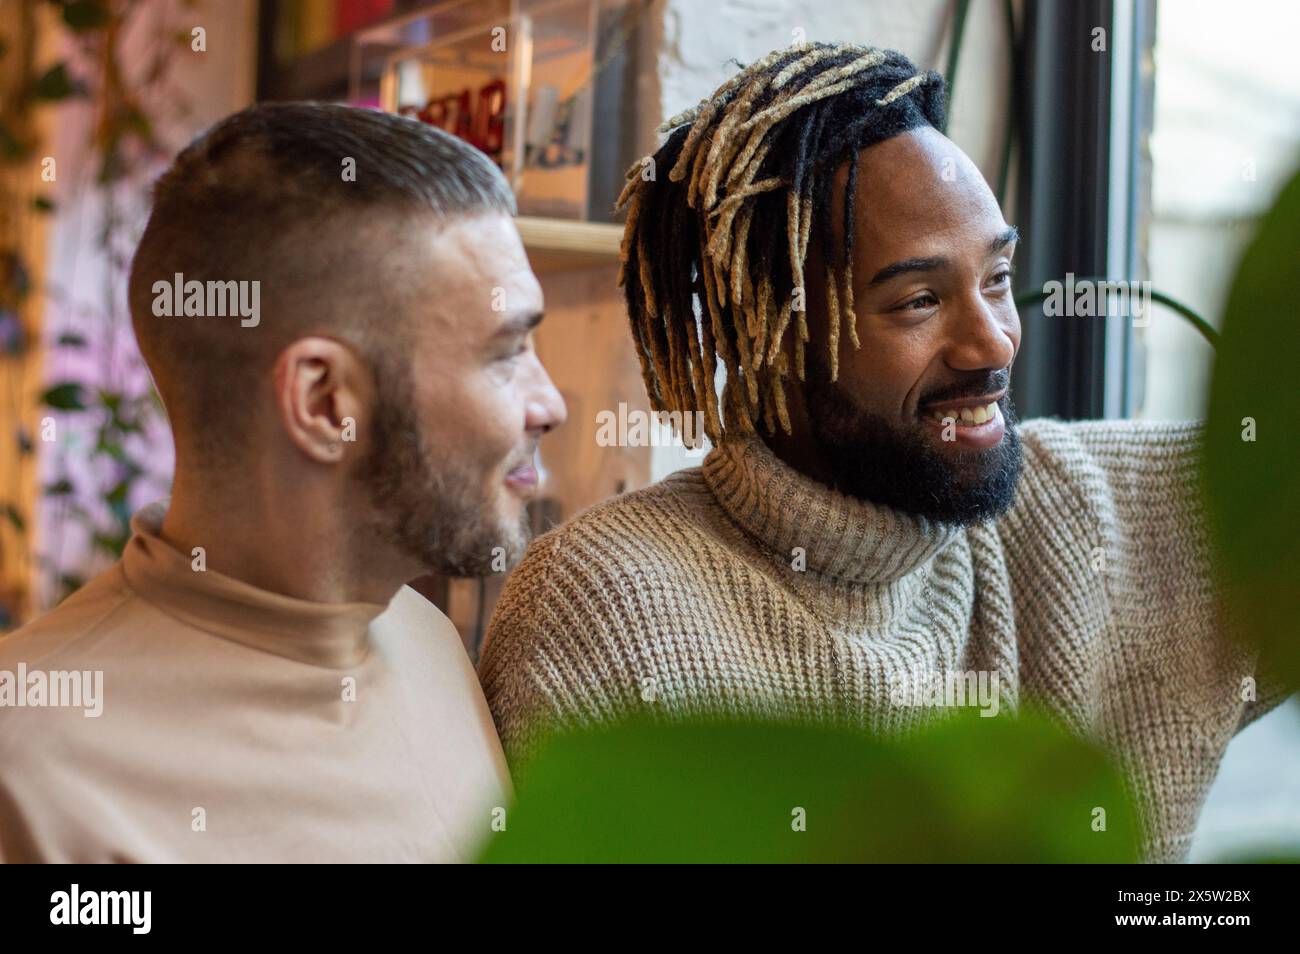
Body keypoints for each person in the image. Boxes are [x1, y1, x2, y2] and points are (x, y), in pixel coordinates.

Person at [478, 43, 1287, 863]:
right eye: (921, 300)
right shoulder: (602, 611)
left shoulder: (1085, 512)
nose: (994, 342)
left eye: (999, 277)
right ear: (776, 338)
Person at [0, 103, 566, 862]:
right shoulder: (27, 768)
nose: (551, 404)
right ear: (325, 402)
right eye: (506, 354)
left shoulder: (427, 642)